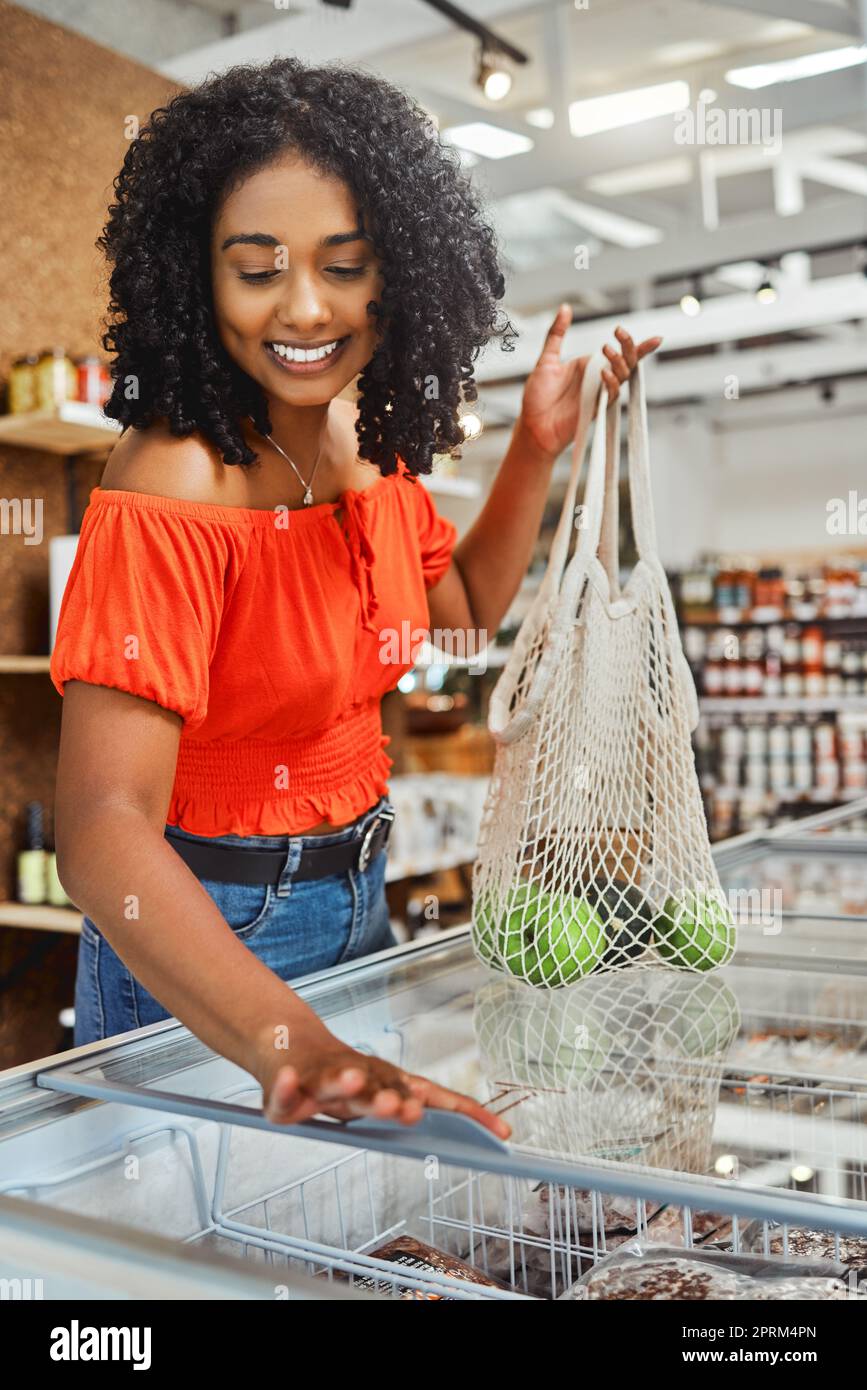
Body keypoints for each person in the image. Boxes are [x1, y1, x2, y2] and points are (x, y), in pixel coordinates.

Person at [51, 57, 660, 1137]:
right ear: (195, 278)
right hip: (210, 938)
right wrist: (293, 1039)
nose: (305, 307)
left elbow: (463, 609)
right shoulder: (174, 482)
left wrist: (536, 445)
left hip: (357, 898)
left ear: (402, 273)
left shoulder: (362, 445)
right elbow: (103, 832)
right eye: (258, 269)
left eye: (346, 266)